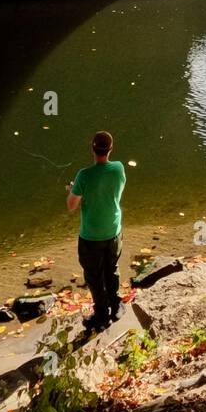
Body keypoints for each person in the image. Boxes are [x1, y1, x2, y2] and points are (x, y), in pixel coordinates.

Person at [66, 130, 126, 332]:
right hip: (114, 230)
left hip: (91, 236)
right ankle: (116, 305)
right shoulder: (118, 168)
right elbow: (112, 192)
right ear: (111, 149)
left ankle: (102, 315)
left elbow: (71, 206)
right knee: (112, 268)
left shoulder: (84, 175)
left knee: (93, 276)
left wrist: (73, 190)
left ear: (92, 148)